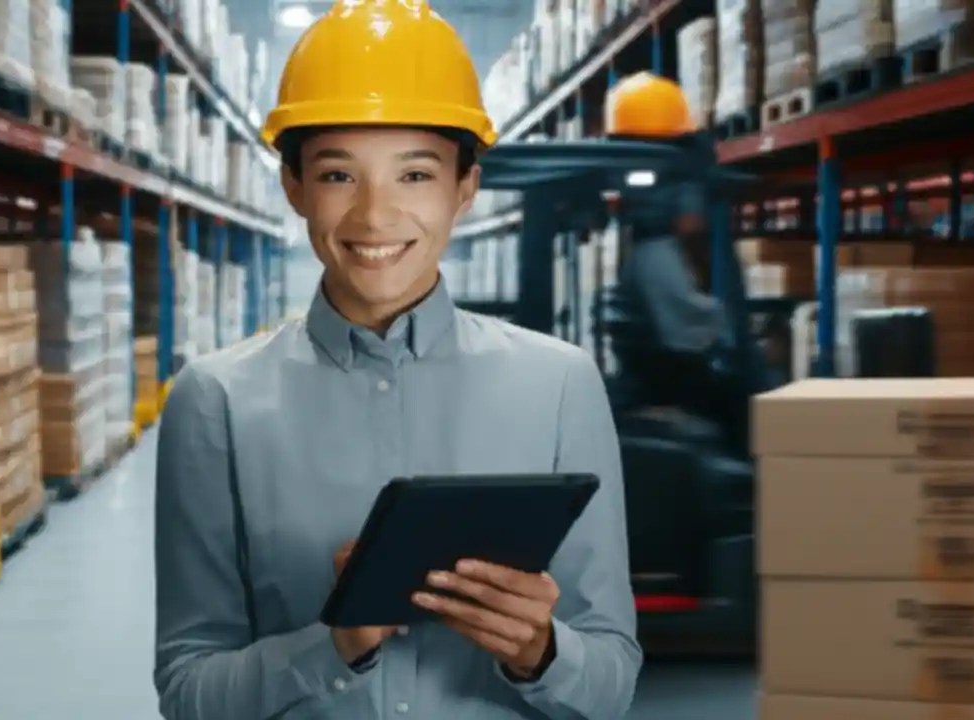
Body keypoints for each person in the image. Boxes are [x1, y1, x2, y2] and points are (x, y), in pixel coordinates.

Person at [153, 2, 641, 718]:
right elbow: (189, 694)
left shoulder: (559, 384)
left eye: (414, 175)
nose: (375, 216)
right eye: (339, 176)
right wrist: (334, 644)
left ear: (465, 187)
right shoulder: (216, 400)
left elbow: (611, 684)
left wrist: (538, 652)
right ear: (293, 187)